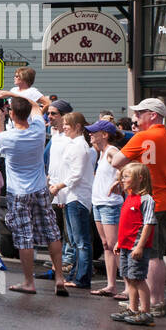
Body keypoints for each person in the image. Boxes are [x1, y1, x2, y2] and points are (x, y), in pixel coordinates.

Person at [0, 92, 67, 294]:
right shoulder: (37, 129)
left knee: (24, 237)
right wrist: (11, 94)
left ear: (11, 114)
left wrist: (1, 117)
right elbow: (37, 105)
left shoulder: (8, 137)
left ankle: (28, 282)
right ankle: (59, 277)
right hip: (39, 188)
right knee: (52, 232)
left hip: (18, 192)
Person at [110, 98, 166, 318]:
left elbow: (116, 161)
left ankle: (154, 303)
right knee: (156, 253)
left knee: (150, 254)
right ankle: (150, 301)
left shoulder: (144, 136)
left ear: (153, 115)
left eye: (140, 113)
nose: (136, 118)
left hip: (147, 202)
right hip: (162, 200)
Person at [48, 112, 96, 289]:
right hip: (70, 196)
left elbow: (75, 175)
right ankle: (77, 274)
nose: (64, 127)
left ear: (77, 126)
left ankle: (82, 278)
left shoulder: (79, 146)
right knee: (76, 241)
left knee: (81, 241)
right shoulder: (73, 144)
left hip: (78, 198)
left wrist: (58, 187)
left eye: (67, 124)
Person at [113, 163, 157, 326]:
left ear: (140, 178)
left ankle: (145, 311)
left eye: (126, 176)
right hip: (126, 245)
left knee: (138, 278)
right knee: (129, 277)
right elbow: (127, 224)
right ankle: (132, 308)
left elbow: (148, 224)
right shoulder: (129, 197)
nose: (123, 179)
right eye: (122, 176)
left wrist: (140, 246)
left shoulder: (146, 200)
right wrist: (119, 241)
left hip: (136, 246)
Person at [87, 119, 127, 300]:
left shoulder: (112, 151)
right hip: (99, 203)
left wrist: (119, 182)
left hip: (110, 204)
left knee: (115, 246)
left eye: (94, 132)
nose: (90, 135)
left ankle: (128, 287)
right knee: (106, 245)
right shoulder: (101, 153)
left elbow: (126, 169)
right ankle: (111, 285)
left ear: (104, 135)